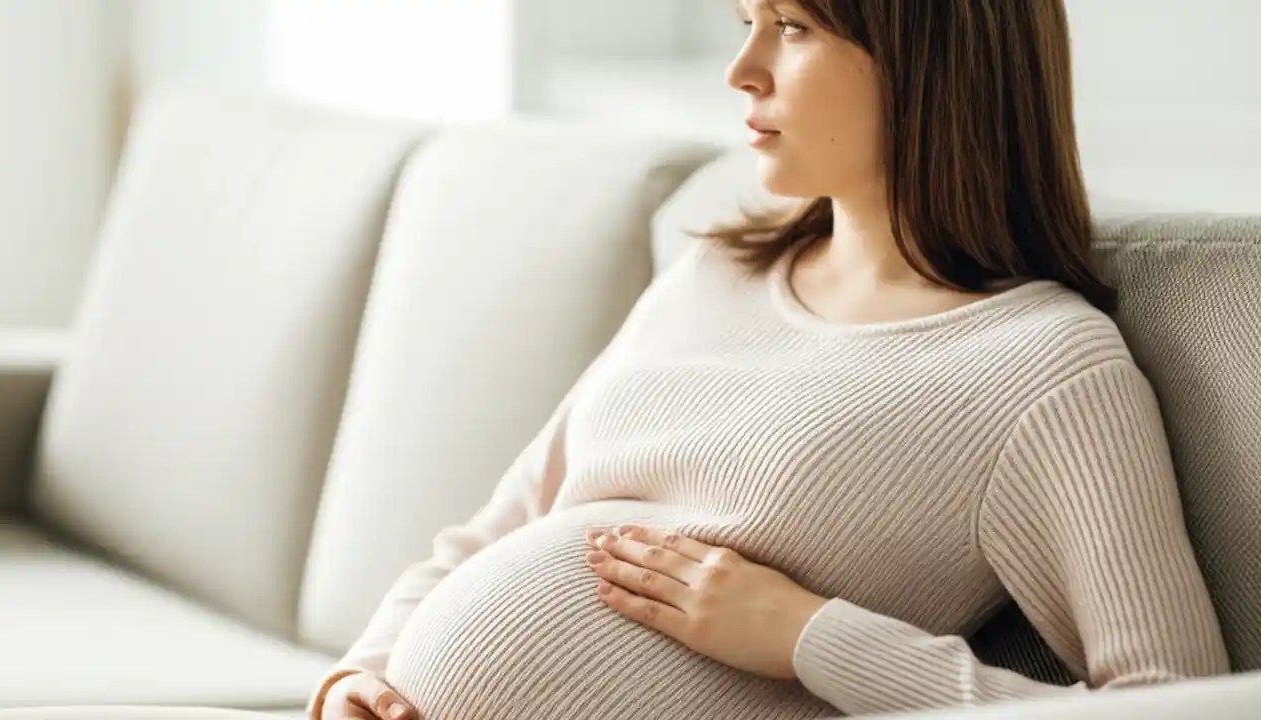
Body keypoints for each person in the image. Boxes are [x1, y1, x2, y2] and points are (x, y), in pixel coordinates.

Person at [310, 1, 1231, 718]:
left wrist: (807, 636)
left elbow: (1178, 706)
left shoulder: (1046, 371)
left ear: (931, 63)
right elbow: (498, 527)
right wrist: (364, 669)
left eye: (791, 28)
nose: (742, 71)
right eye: (747, 25)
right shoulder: (716, 272)